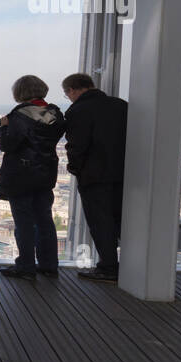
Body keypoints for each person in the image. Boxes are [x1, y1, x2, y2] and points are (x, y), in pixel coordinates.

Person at [0, 75, 66, 282]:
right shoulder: (55, 114)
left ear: (20, 93)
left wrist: (4, 126)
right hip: (46, 173)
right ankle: (49, 265)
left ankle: (26, 266)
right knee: (45, 221)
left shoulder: (19, 116)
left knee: (24, 223)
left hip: (21, 176)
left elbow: (7, 145)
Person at [62, 72, 128, 283]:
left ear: (72, 90)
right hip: (125, 172)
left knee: (101, 222)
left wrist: (75, 168)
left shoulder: (78, 111)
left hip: (94, 175)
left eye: (67, 94)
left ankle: (108, 267)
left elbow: (77, 145)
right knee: (121, 219)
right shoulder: (121, 105)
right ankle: (131, 265)